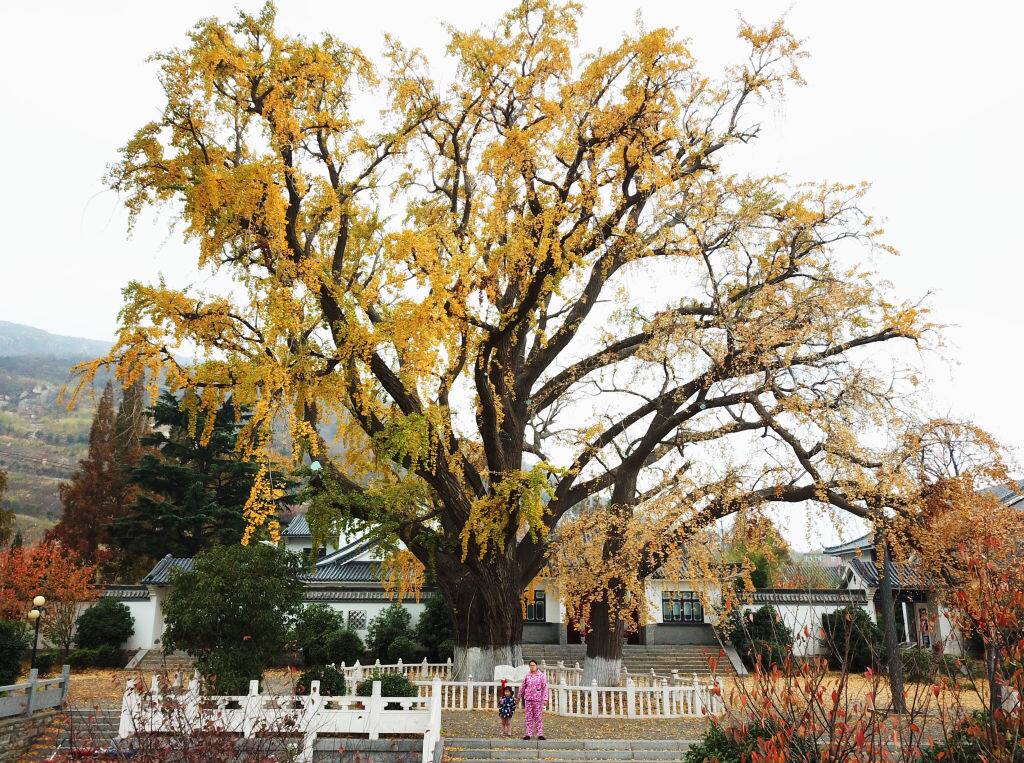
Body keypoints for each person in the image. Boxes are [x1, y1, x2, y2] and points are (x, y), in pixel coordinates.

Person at [519, 659, 547, 740]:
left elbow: (545, 687)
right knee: (528, 717)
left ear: (536, 666)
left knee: (538, 717)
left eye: (533, 665)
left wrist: (545, 699)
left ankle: (539, 734)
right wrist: (519, 696)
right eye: (530, 665)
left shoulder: (541, 676)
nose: (532, 667)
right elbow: (523, 686)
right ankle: (528, 734)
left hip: (538, 699)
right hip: (528, 699)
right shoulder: (527, 676)